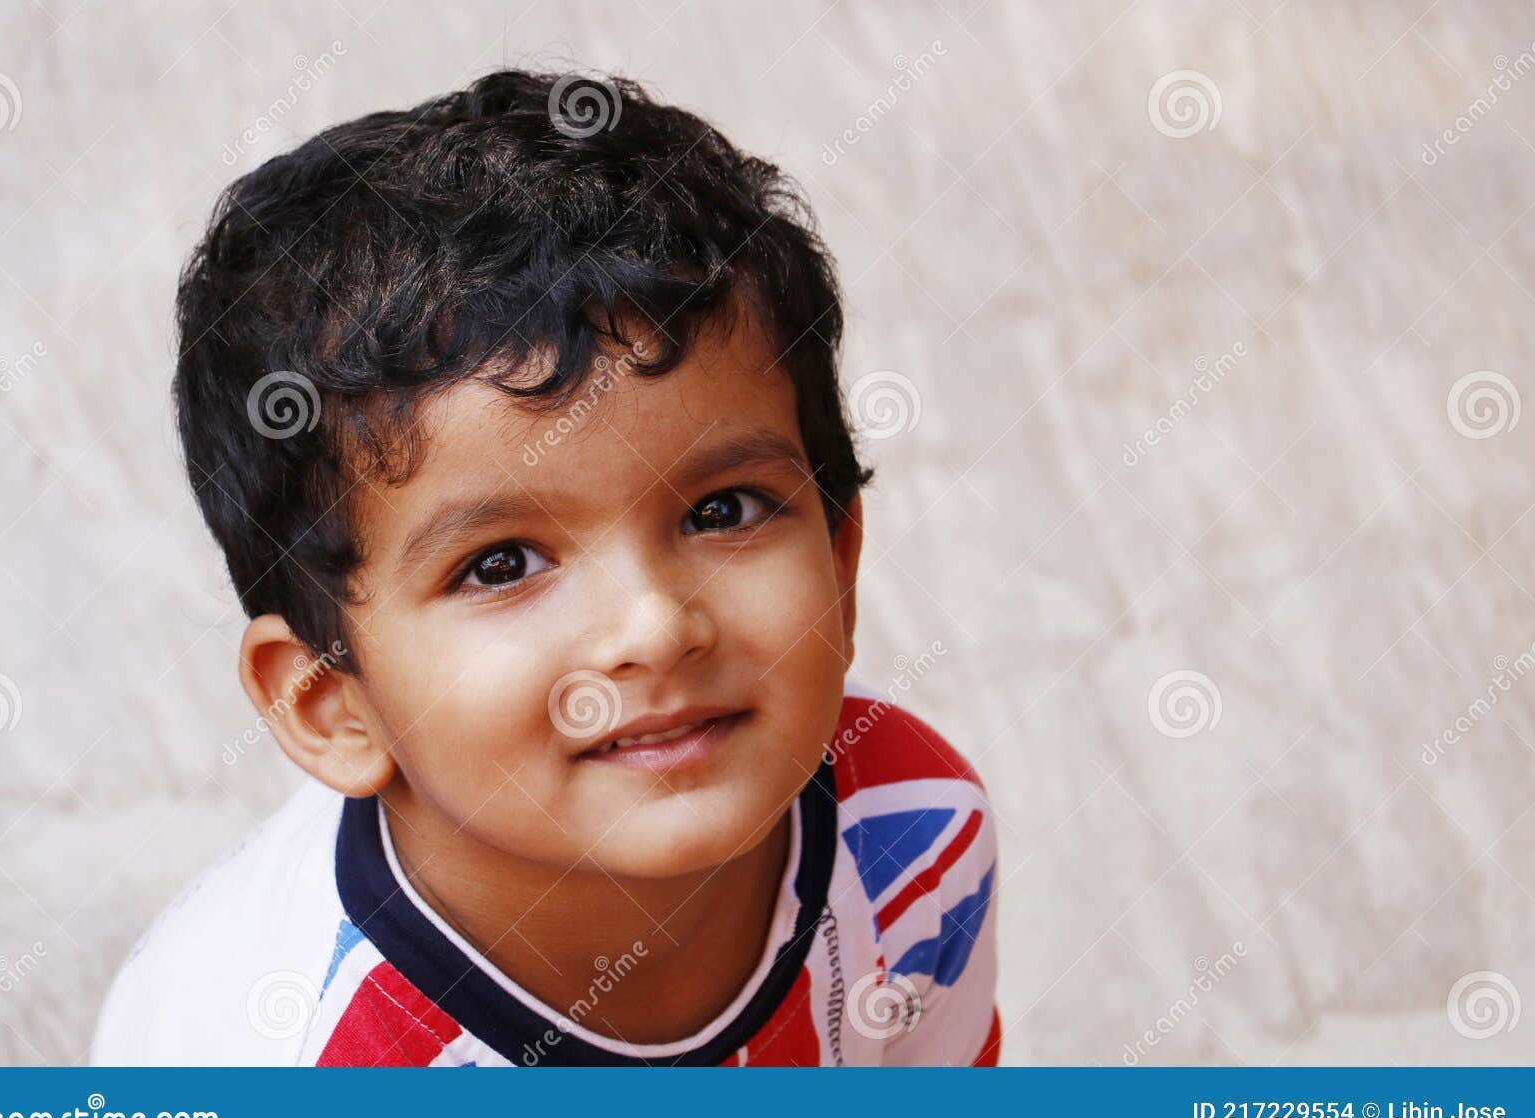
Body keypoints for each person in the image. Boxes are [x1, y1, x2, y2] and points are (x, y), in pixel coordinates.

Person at [91, 69, 1000, 1066]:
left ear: (840, 557)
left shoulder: (912, 831)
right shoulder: (276, 1058)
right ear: (327, 700)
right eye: (501, 563)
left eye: (721, 509)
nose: (655, 624)